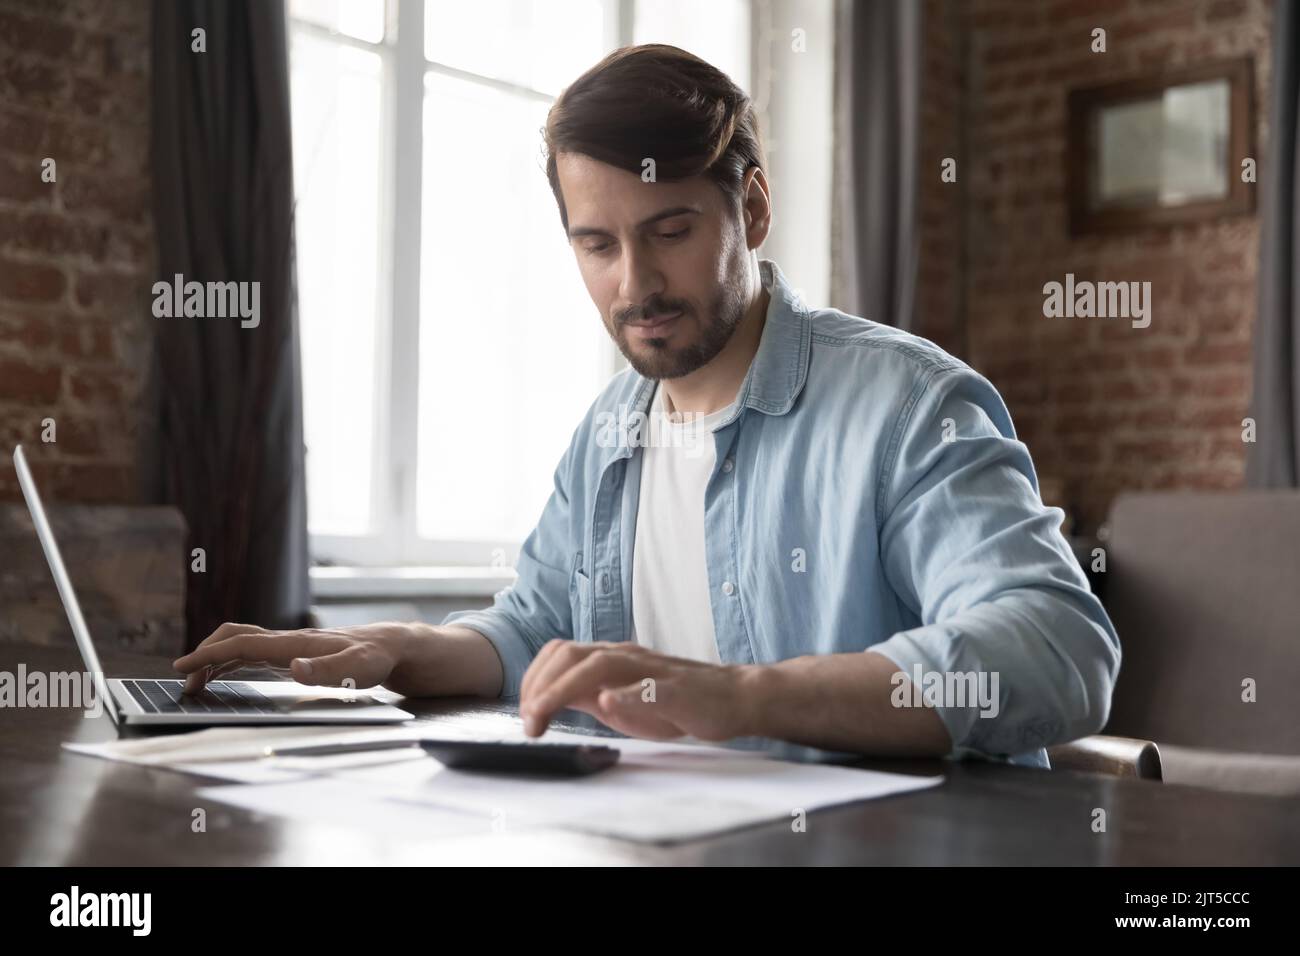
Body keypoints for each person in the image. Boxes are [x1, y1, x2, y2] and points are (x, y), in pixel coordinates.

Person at [174, 44, 1120, 767]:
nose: (636, 285)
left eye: (670, 231)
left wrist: (745, 695)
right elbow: (538, 630)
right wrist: (397, 648)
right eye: (597, 245)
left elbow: (1057, 647)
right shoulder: (610, 431)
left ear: (750, 210)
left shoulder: (909, 403)